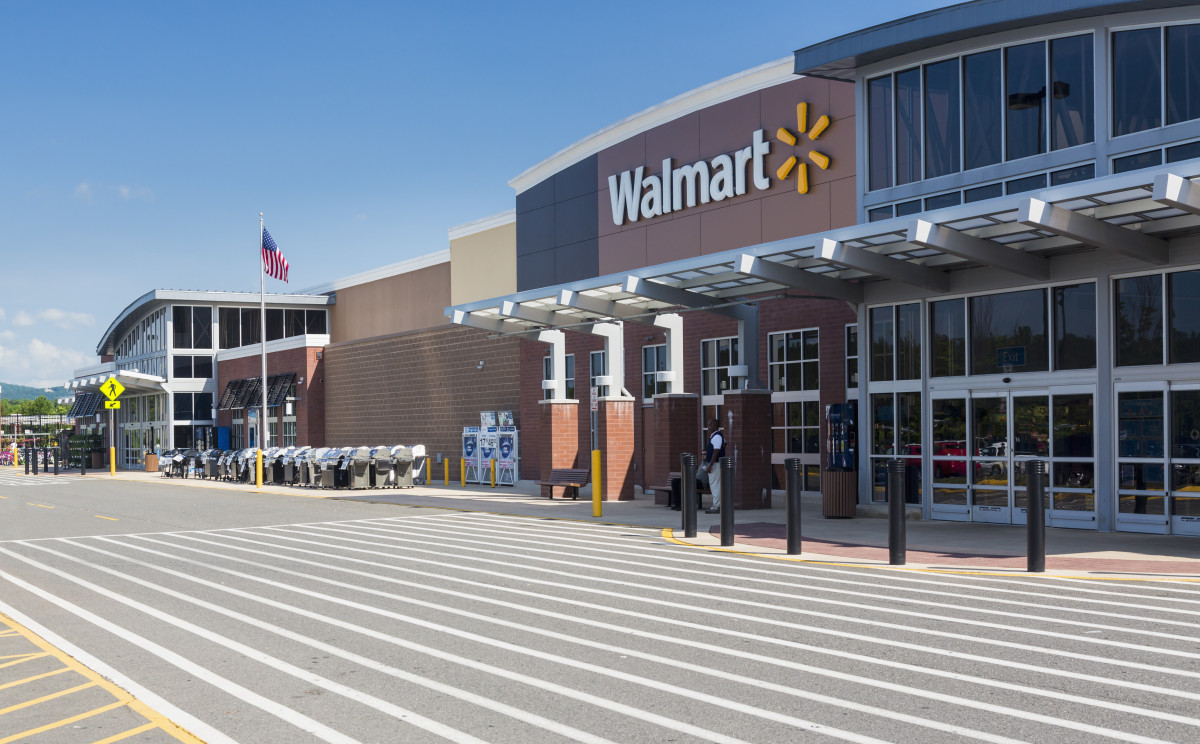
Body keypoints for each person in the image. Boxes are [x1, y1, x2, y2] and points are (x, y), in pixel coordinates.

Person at [700, 418, 725, 514]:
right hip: (715, 464)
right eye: (708, 425)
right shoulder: (716, 436)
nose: (708, 427)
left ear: (716, 426)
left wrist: (710, 464)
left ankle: (717, 506)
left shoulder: (717, 436)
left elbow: (716, 451)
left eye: (710, 425)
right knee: (715, 484)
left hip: (715, 464)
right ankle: (717, 504)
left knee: (715, 485)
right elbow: (724, 443)